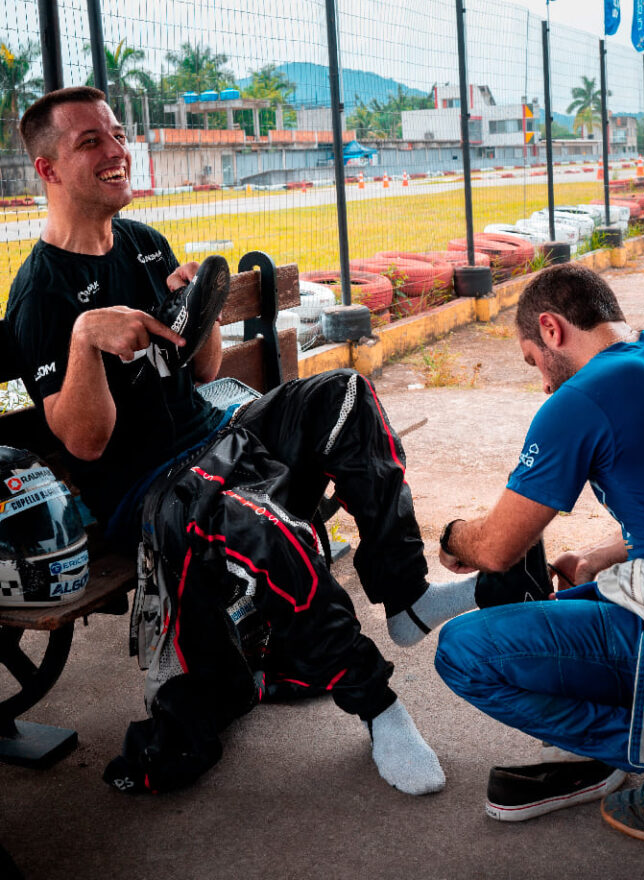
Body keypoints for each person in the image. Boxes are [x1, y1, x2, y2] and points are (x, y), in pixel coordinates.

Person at [6, 85, 497, 796]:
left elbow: (201, 372)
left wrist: (196, 311)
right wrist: (86, 341)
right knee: (262, 522)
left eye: (116, 135)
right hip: (152, 493)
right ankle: (380, 707)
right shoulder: (42, 293)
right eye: (91, 143)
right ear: (48, 169)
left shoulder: (143, 245)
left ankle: (408, 596)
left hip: (217, 435)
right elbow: (85, 444)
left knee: (343, 396)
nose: (116, 152)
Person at [434, 261, 644, 842]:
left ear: (551, 328)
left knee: (465, 654)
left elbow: (496, 551)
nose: (542, 382)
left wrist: (452, 537)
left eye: (533, 360)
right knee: (589, 594)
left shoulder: (582, 399)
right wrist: (599, 557)